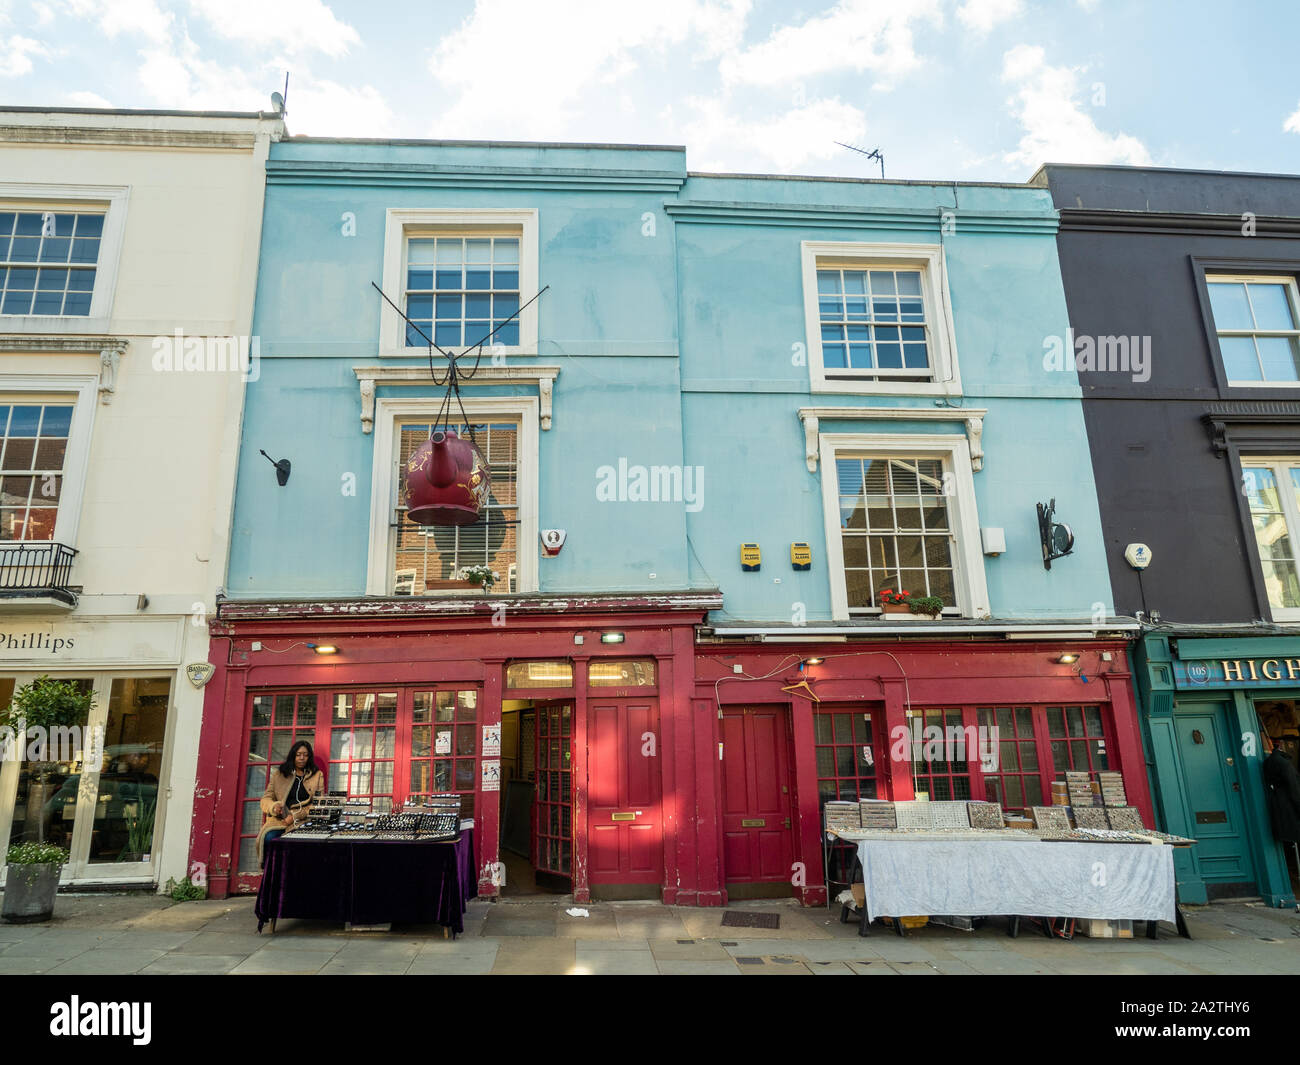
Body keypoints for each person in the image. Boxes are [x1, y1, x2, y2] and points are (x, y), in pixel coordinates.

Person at [257, 740, 325, 865]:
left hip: (305, 820)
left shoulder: (317, 775)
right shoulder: (279, 774)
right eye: (298, 754)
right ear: (293, 755)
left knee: (300, 846)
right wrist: (274, 806)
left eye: (305, 755)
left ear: (309, 757)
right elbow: (266, 798)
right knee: (268, 838)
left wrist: (295, 816)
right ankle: (271, 873)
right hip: (280, 819)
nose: (302, 758)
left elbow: (318, 804)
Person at [1263, 733, 1300, 850]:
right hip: (1290, 807)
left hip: (1279, 805)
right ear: (1281, 745)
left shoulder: (1269, 762)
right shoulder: (1284, 764)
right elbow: (1294, 789)